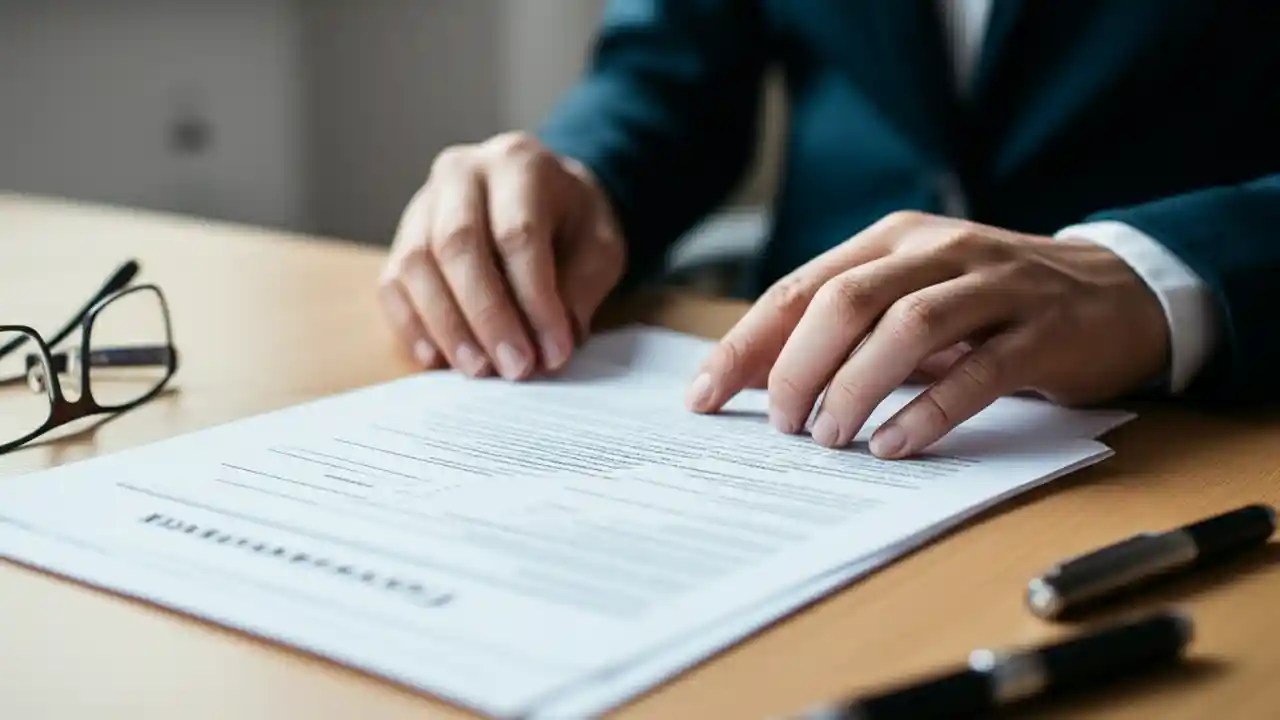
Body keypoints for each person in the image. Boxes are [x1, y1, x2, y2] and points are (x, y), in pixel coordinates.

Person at [378, 1, 1279, 458]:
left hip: (1201, 425)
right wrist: (583, 175)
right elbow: (670, 69)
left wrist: (1157, 276)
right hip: (797, 410)